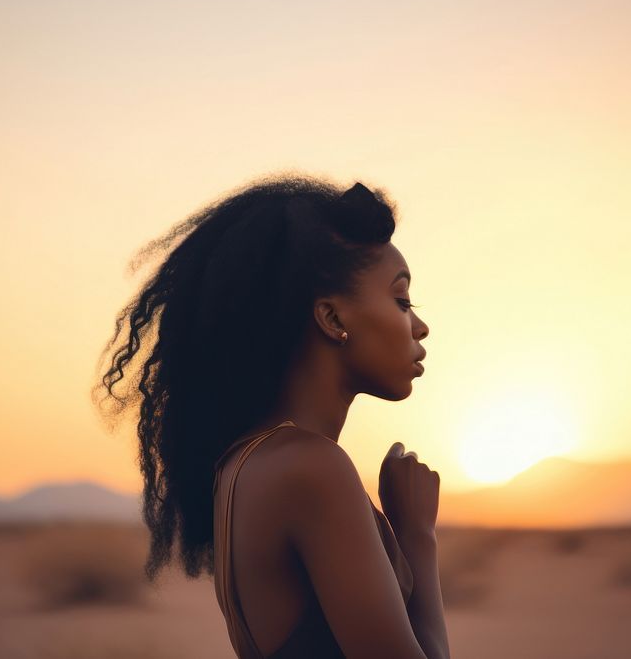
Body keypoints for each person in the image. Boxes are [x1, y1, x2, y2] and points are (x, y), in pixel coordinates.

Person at [94, 174, 448, 658]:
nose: (420, 325)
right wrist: (417, 536)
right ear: (333, 319)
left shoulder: (243, 463)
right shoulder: (313, 467)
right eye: (401, 300)